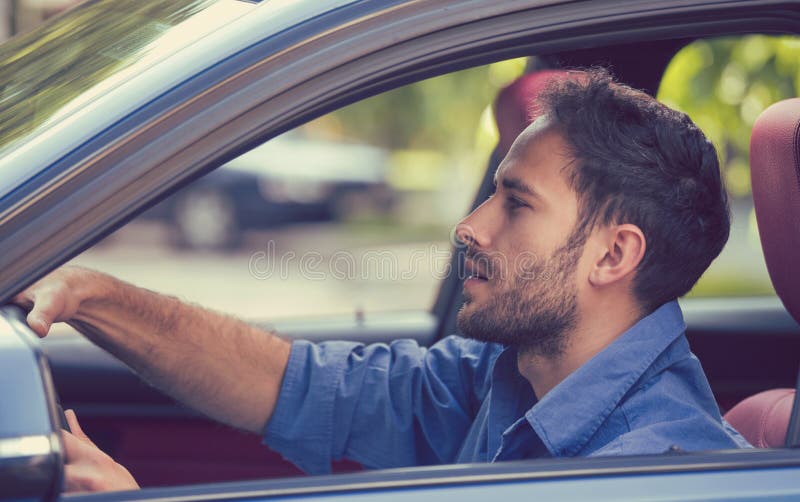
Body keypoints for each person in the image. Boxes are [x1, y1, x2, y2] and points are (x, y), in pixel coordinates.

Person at [13, 68, 749, 493]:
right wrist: (94, 295)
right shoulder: (506, 376)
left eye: (516, 203)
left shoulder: (655, 472)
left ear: (613, 256)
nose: (472, 225)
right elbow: (288, 383)